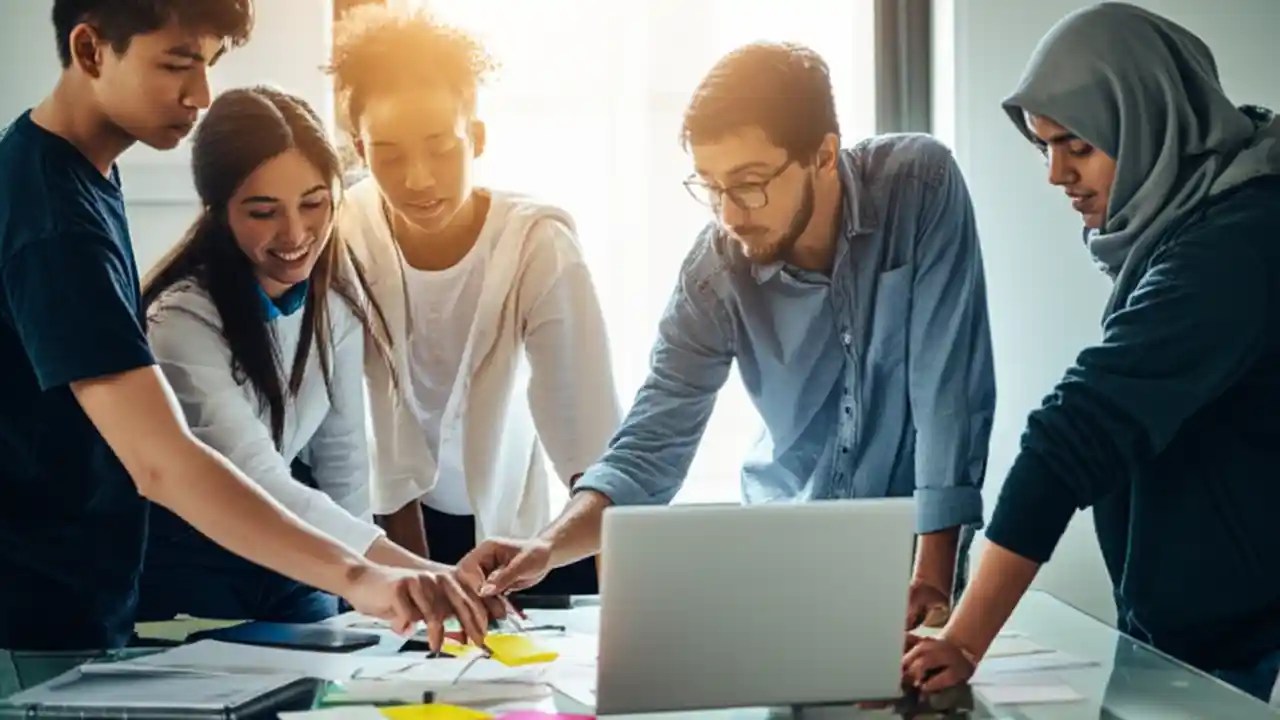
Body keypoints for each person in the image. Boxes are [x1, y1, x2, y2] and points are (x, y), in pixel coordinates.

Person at [0, 0, 490, 657]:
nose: (200, 94)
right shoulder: (56, 219)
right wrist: (366, 576)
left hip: (81, 602)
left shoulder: (80, 178)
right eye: (177, 64)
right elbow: (161, 463)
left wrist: (381, 580)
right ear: (90, 51)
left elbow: (340, 471)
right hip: (39, 613)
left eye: (209, 65)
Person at [460, 40, 996, 628]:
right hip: (785, 558)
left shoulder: (919, 187)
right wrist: (546, 547)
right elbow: (650, 442)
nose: (730, 214)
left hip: (921, 552)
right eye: (710, 187)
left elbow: (948, 389)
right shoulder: (715, 271)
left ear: (823, 154)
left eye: (748, 183)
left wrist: (930, 578)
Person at [902, 3, 1280, 704]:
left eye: (1077, 146)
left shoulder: (1234, 247)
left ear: (1150, 122)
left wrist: (962, 639)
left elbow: (1076, 432)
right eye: (1044, 146)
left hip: (1242, 647)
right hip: (1182, 635)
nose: (1055, 174)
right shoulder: (1191, 222)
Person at [137, 86, 491, 628]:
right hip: (194, 571)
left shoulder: (335, 300)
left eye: (313, 203)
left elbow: (344, 465)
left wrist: (376, 604)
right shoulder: (179, 319)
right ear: (218, 211)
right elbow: (259, 480)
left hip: (300, 569)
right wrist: (411, 574)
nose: (296, 234)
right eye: (263, 212)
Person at [327, 5, 620, 594]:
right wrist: (410, 573)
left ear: (477, 138)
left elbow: (588, 439)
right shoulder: (344, 229)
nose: (418, 179)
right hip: (386, 523)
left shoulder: (538, 247)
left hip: (523, 531)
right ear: (359, 148)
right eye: (388, 154)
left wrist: (625, 615)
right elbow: (367, 421)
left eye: (440, 148)